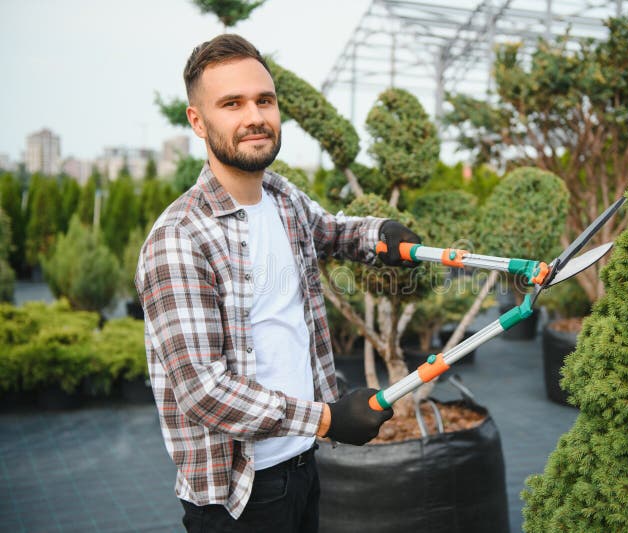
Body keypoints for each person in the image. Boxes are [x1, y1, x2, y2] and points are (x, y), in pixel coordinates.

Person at [135, 33, 421, 533]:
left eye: (264, 100)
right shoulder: (179, 239)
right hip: (238, 492)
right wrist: (329, 420)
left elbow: (330, 229)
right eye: (232, 104)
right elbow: (204, 392)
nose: (255, 117)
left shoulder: (281, 197)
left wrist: (380, 235)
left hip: (302, 465)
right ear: (197, 121)